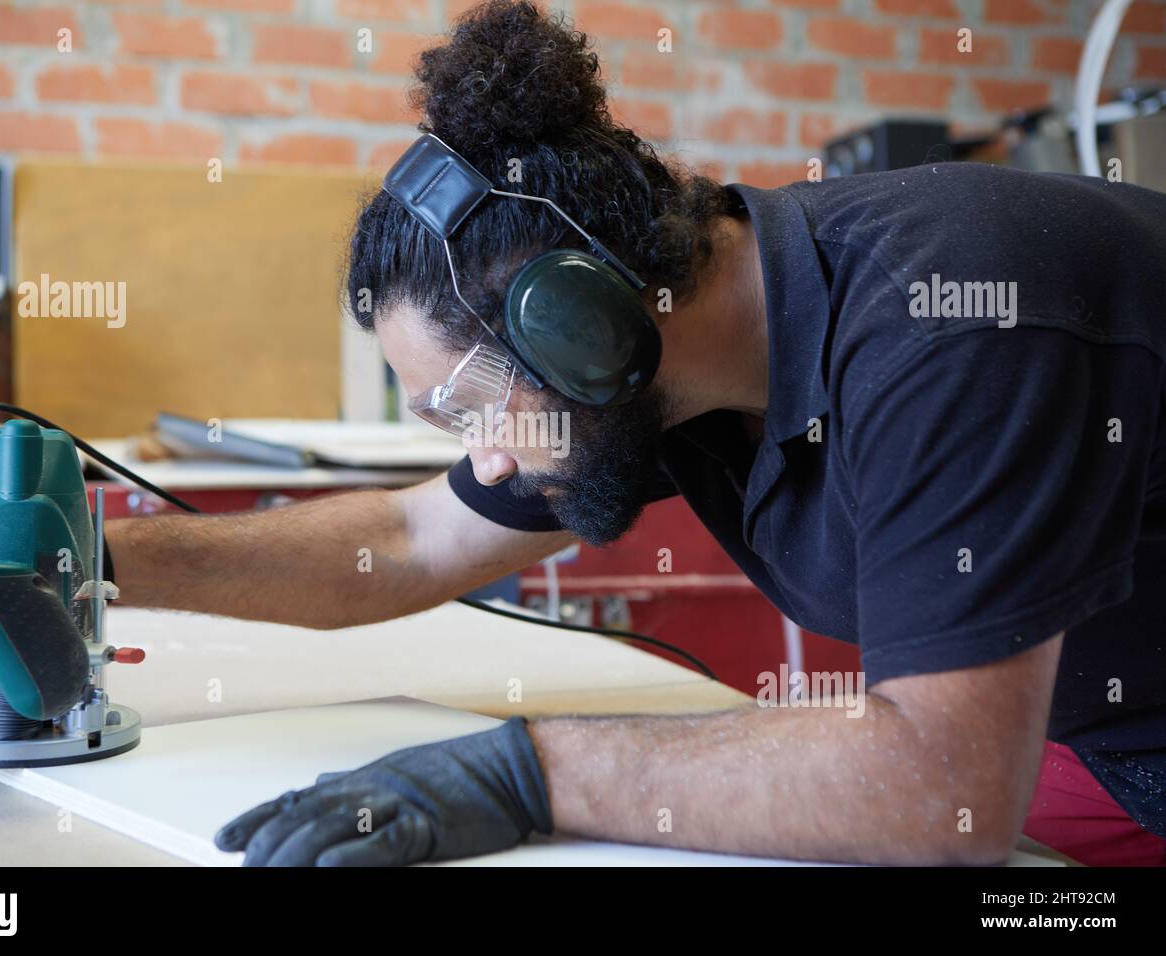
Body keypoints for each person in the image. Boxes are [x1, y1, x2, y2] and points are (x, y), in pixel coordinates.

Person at [72, 2, 1166, 865]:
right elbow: (411, 539)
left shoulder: (951, 325)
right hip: (1090, 739)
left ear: (583, 322)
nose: (483, 459)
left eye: (468, 406)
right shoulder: (665, 366)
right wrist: (103, 560)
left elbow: (942, 785)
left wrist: (530, 772)